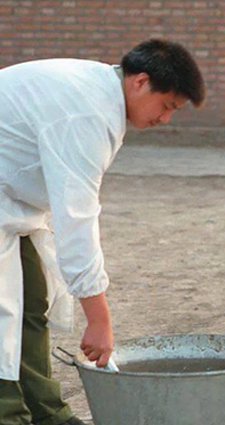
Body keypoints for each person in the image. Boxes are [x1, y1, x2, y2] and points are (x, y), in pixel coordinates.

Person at [0, 39, 205, 425]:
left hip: (8, 206)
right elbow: (75, 219)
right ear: (140, 82)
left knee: (28, 300)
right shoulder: (86, 114)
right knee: (1, 312)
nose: (165, 120)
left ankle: (47, 414)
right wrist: (99, 319)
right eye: (167, 107)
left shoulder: (97, 92)